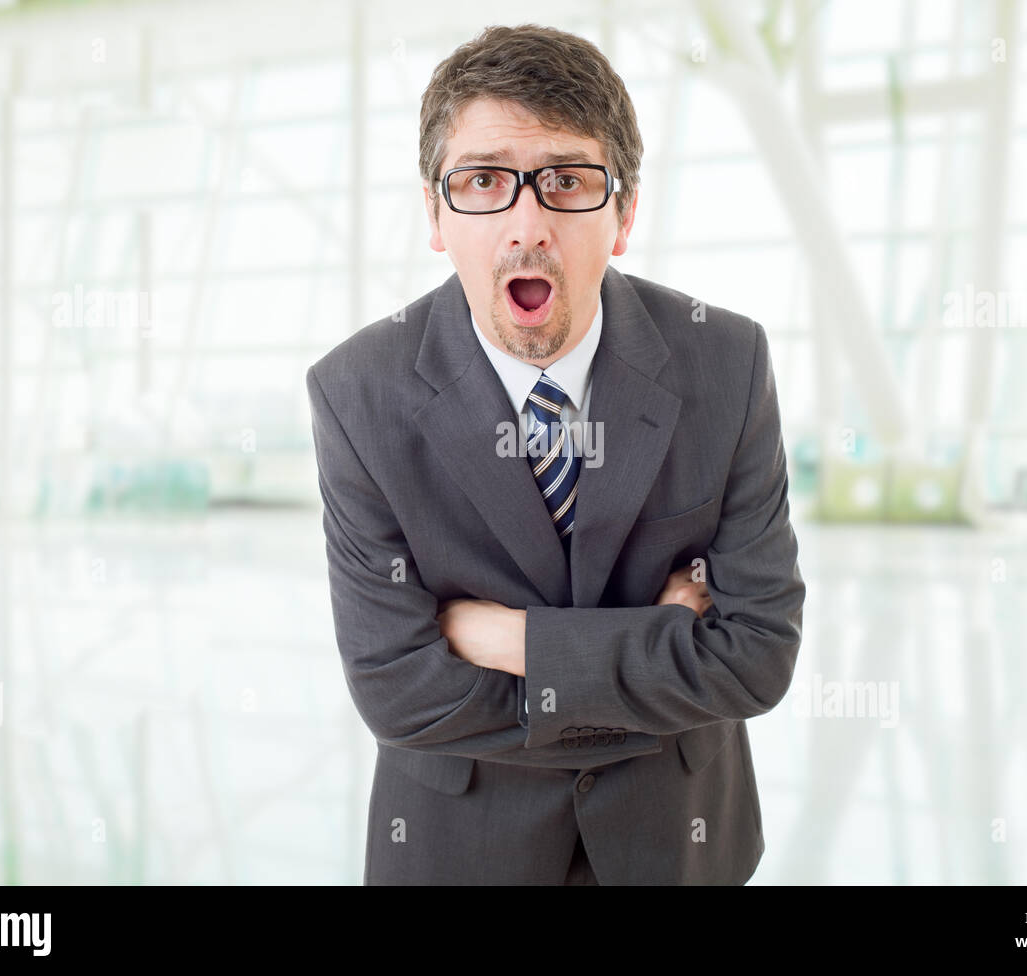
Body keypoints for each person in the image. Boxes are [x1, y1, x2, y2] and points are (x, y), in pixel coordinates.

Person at [305, 23, 805, 884]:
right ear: (435, 213)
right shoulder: (357, 392)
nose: (526, 225)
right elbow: (395, 687)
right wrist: (660, 642)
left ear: (624, 212)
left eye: (567, 181)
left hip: (677, 850)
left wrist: (508, 640)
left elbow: (758, 656)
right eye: (486, 181)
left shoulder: (726, 363)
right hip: (461, 852)